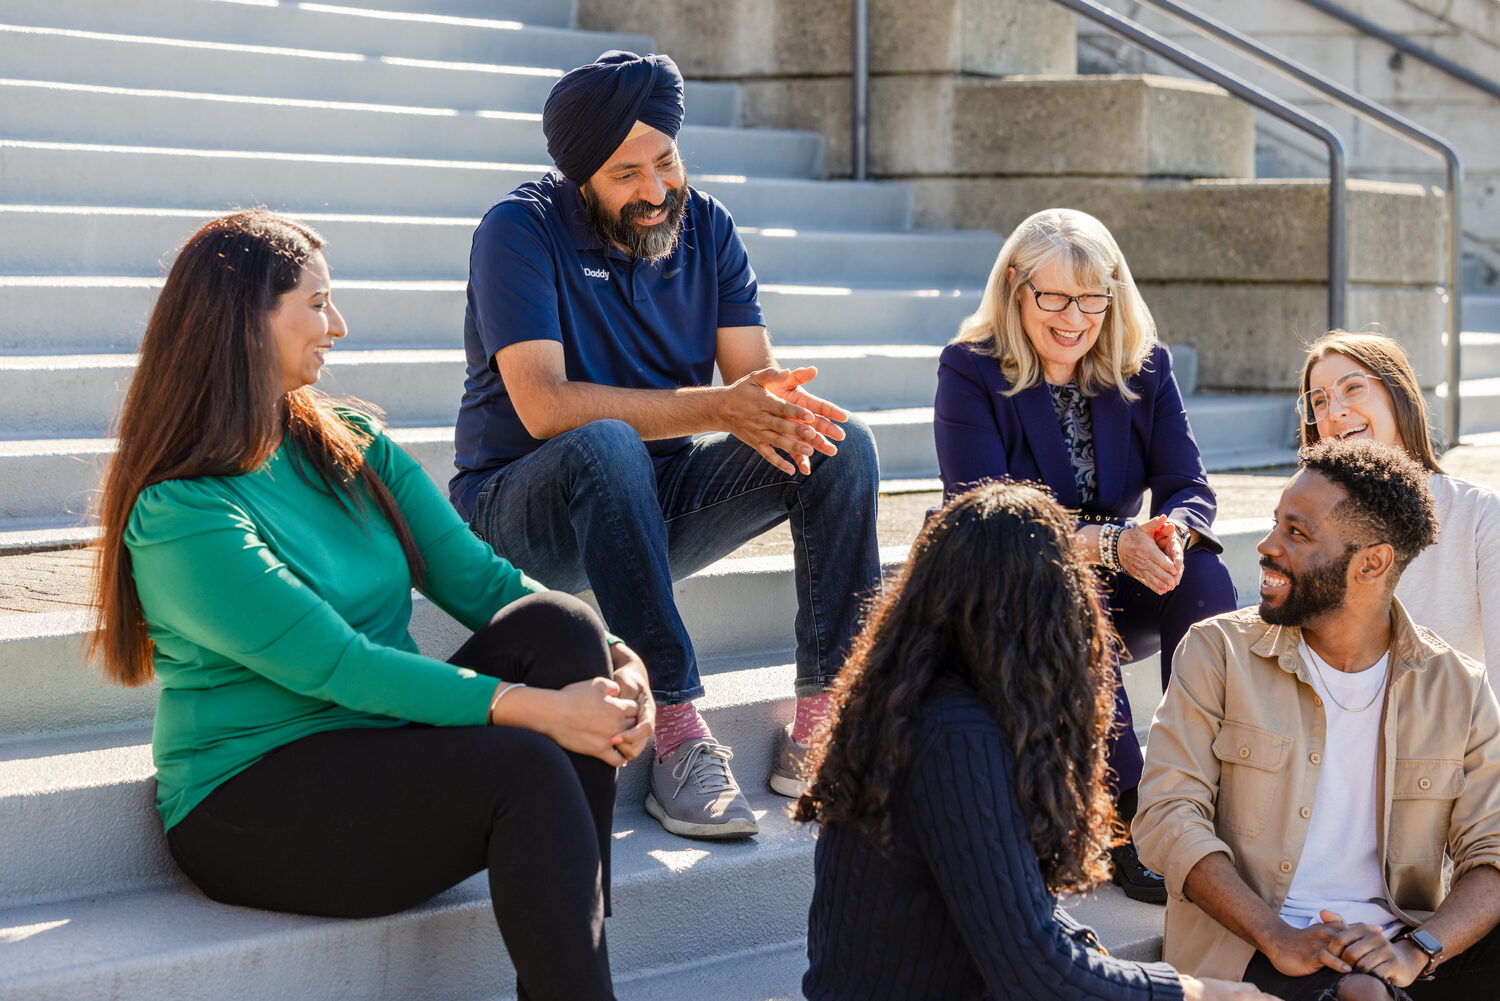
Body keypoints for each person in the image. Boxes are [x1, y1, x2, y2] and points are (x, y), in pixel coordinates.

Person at [89, 211, 655, 1001]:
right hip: (250, 800)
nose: (339, 326)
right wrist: (533, 709)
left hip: (381, 753)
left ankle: (573, 974)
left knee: (561, 625)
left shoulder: (348, 444)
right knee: (528, 758)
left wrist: (620, 657)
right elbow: (338, 665)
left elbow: (486, 583)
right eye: (317, 304)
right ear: (246, 320)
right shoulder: (182, 511)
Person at [450, 50, 882, 839]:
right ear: (583, 178)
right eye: (626, 175)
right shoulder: (518, 230)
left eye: (666, 162)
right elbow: (545, 406)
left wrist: (772, 406)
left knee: (835, 442)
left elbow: (756, 392)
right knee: (604, 443)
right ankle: (679, 729)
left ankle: (824, 720)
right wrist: (720, 404)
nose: (654, 191)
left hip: (649, 506)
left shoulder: (707, 226)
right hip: (518, 520)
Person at [794, 481, 1280, 1001]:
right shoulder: (954, 735)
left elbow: (997, 892)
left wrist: (1084, 945)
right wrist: (1198, 993)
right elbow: (1036, 975)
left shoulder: (918, 705)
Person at [933, 207, 1238, 903]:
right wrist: (1108, 543)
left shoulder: (1145, 365)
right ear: (1016, 288)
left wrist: (1173, 534)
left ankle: (1203, 785)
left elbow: (1188, 485)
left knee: (1207, 577)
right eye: (1055, 298)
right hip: (1005, 580)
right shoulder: (970, 368)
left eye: (1093, 299)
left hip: (1117, 569)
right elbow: (985, 509)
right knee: (1074, 597)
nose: (1076, 318)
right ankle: (1128, 817)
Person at [1133, 438, 1500, 1001]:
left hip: (1406, 944)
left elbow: (1492, 848)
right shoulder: (1219, 654)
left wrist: (1417, 948)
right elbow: (1166, 818)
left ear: (1372, 562)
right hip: (1254, 943)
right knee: (1360, 994)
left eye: (1296, 533)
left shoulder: (1458, 686)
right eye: (1277, 523)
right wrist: (1276, 935)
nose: (1266, 545)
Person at [1298, 329, 1500, 694]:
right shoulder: (1303, 526)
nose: (1336, 411)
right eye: (1319, 401)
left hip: (1451, 737)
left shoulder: (1480, 514)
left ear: (1398, 393)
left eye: (1353, 387)